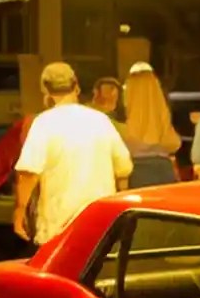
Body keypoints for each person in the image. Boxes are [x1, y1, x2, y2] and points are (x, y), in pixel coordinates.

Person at [14, 62, 133, 247]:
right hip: (101, 223)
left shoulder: (44, 123)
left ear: (45, 90)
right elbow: (124, 168)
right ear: (76, 86)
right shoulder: (100, 120)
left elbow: (29, 172)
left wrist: (19, 211)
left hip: (59, 227)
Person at [122, 62, 181, 188]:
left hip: (137, 172)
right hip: (164, 171)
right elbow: (174, 143)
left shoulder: (121, 125)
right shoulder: (162, 117)